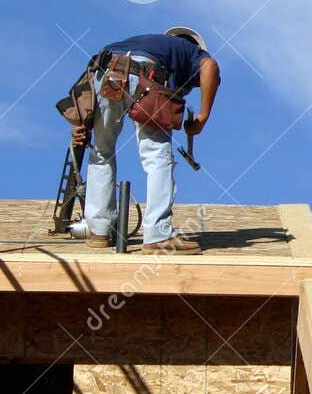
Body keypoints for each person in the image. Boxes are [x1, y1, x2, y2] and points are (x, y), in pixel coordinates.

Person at [78, 26, 220, 254]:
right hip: (147, 76)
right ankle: (158, 235)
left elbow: (87, 81)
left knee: (102, 151)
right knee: (157, 156)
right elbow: (210, 67)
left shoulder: (143, 41)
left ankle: (99, 231)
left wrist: (82, 125)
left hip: (103, 72)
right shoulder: (191, 51)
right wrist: (202, 116)